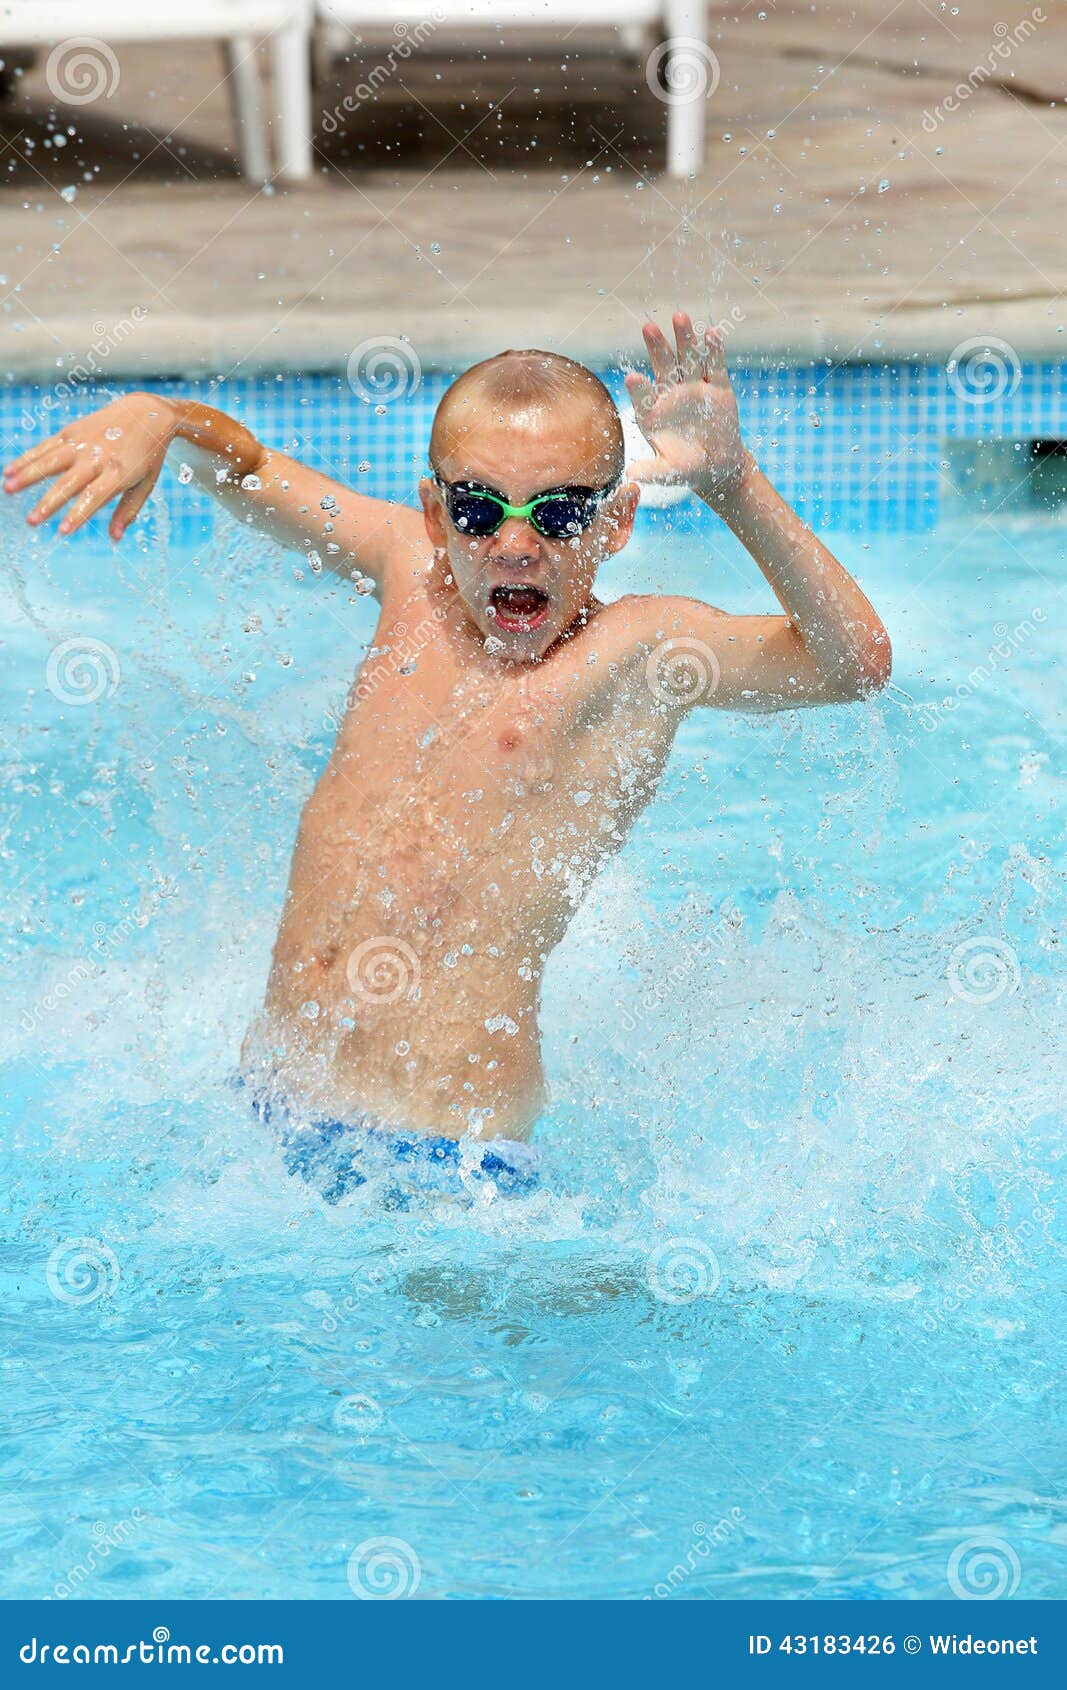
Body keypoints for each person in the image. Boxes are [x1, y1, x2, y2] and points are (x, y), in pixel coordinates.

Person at [4, 313, 890, 1200]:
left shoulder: (639, 653)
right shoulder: (407, 571)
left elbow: (852, 665)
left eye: (558, 513)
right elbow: (252, 468)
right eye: (476, 509)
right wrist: (158, 415)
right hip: (268, 1123)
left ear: (615, 522)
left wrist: (734, 485)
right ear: (435, 514)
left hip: (446, 1165)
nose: (513, 543)